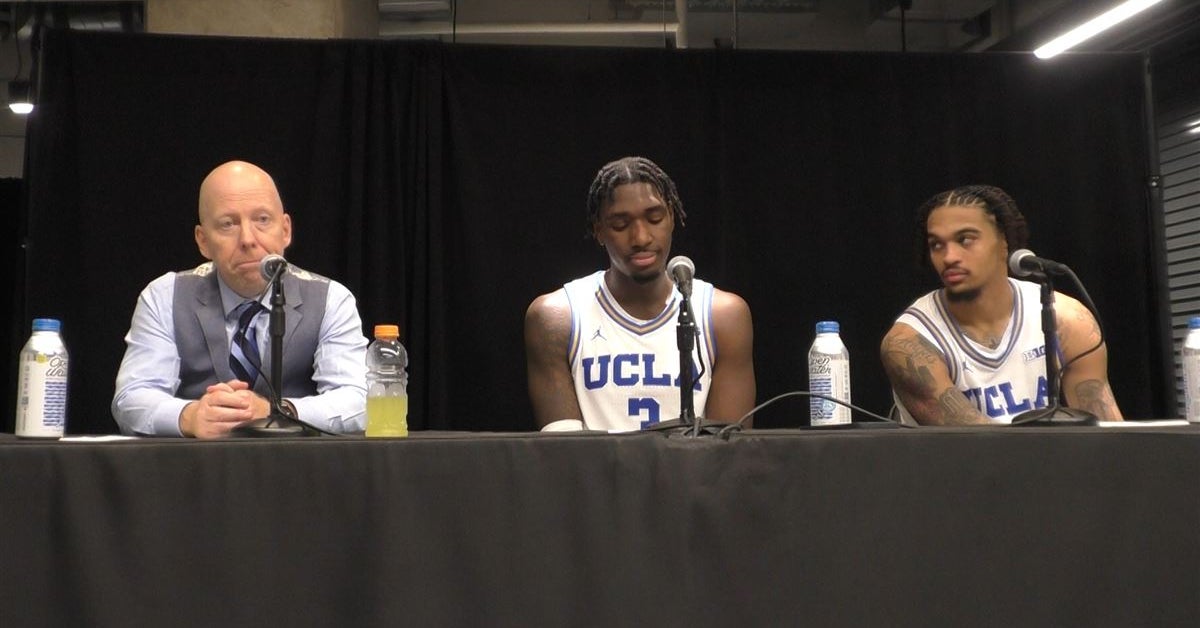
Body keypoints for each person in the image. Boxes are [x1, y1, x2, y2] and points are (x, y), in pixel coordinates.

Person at [112, 160, 368, 438]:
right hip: (195, 473)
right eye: (228, 224)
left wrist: (279, 411)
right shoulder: (164, 296)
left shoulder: (331, 299)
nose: (247, 239)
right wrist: (190, 416)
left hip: (298, 472)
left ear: (285, 230)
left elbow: (358, 400)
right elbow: (132, 397)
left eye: (262, 220)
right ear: (202, 241)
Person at [524, 156, 755, 432]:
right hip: (596, 476)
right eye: (620, 225)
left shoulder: (723, 316)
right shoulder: (556, 318)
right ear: (598, 230)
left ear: (672, 217)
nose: (641, 238)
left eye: (654, 218)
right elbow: (566, 456)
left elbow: (727, 454)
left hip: (693, 475)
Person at [880, 185, 1123, 425]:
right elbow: (982, 448)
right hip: (960, 463)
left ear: (1004, 241)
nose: (949, 257)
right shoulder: (910, 343)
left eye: (965, 240)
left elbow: (1108, 436)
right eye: (936, 245)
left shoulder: (1068, 320)